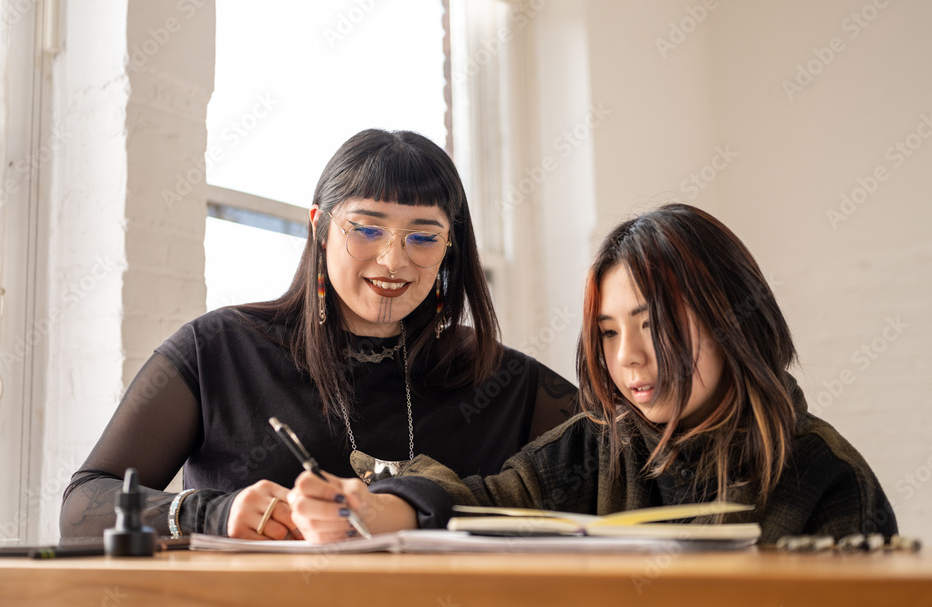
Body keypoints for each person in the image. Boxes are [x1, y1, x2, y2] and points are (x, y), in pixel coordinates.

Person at [60, 130, 577, 540]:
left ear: (450, 248)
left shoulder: (496, 375)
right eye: (367, 228)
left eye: (422, 236)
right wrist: (213, 513)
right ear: (320, 227)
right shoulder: (219, 349)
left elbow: (625, 447)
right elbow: (83, 505)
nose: (393, 259)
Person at [287, 203, 898, 545]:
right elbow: (490, 503)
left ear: (732, 318)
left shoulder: (829, 477)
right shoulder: (599, 444)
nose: (627, 357)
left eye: (653, 324)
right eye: (607, 332)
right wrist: (370, 508)